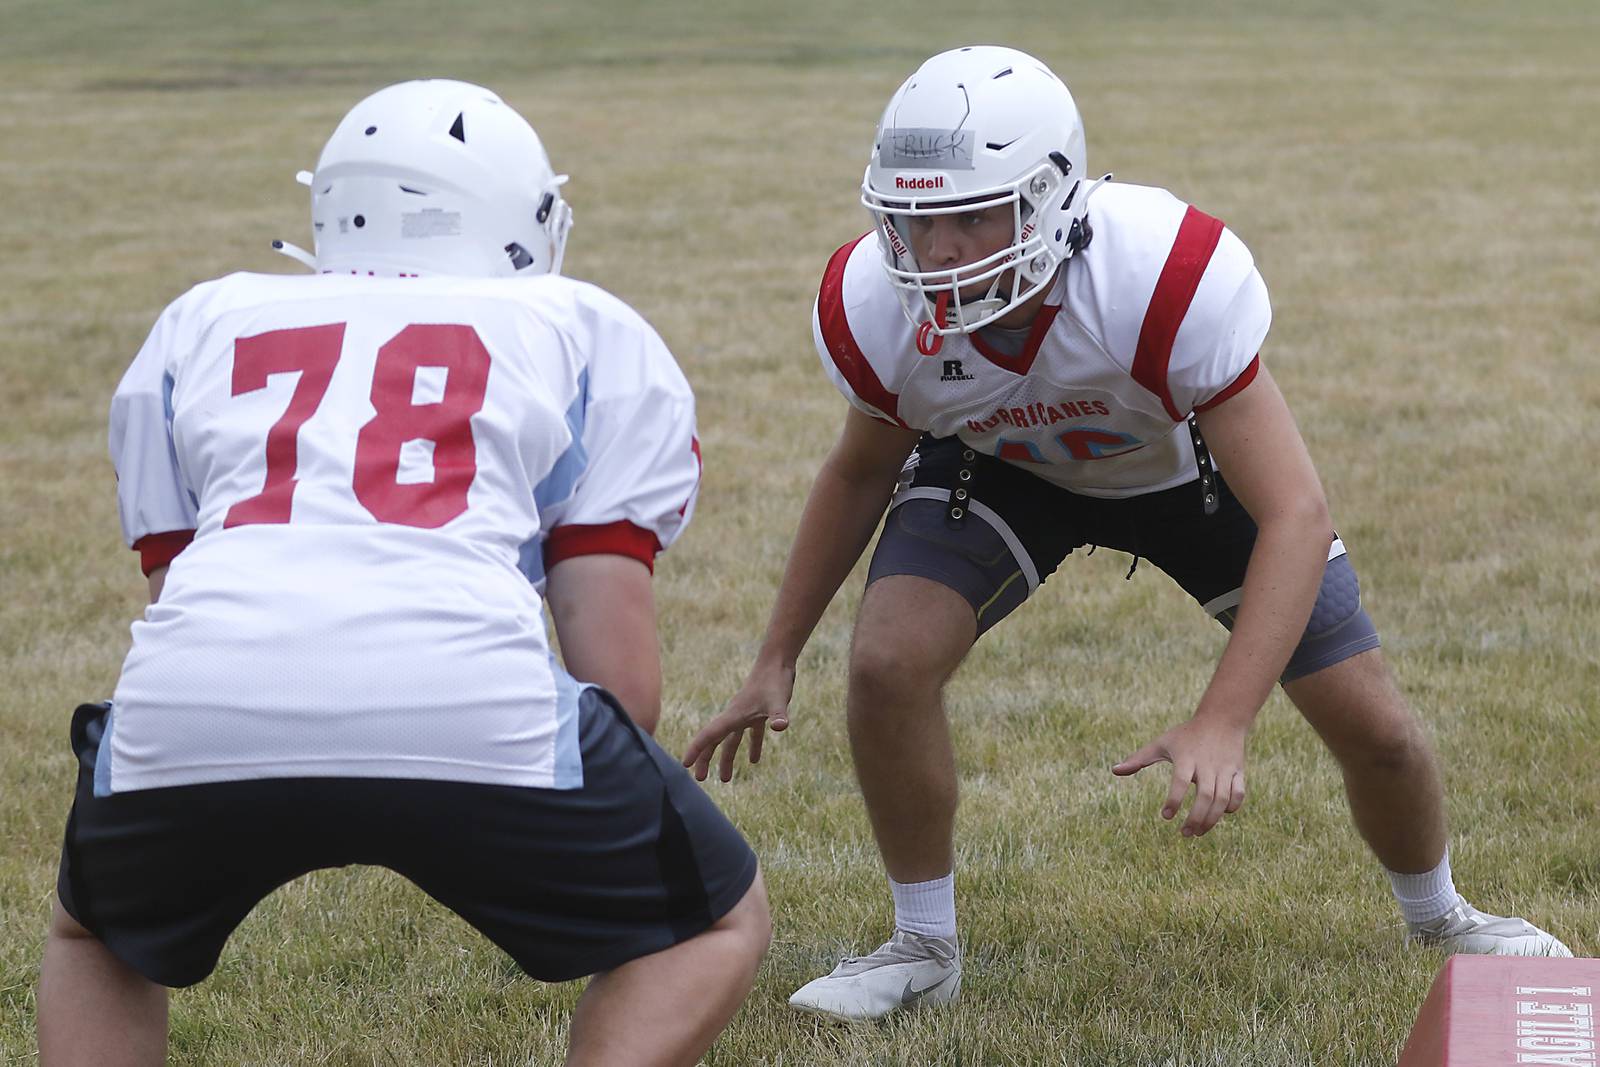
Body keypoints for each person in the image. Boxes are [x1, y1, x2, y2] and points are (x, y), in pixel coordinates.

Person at [683, 45, 1567, 1023]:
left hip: (1184, 471)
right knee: (887, 661)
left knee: (1375, 727)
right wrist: (776, 653)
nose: (936, 253)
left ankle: (1439, 912)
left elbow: (1293, 510)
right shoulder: (874, 306)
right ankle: (923, 942)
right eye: (916, 219)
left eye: (970, 215)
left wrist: (1223, 716)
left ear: (1050, 198)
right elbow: (858, 468)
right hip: (1007, 470)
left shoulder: (1161, 273)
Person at [37, 79, 769, 1066]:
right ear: (521, 216)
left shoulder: (202, 319)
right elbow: (620, 685)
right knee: (716, 917)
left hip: (196, 702)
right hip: (470, 699)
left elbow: (183, 603)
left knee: (98, 934)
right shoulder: (579, 326)